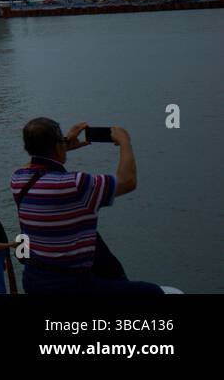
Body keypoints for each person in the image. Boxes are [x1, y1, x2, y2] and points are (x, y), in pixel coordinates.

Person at [11, 117, 161, 295]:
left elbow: (38, 162)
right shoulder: (76, 184)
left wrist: (62, 145)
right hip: (72, 286)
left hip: (34, 281)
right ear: (57, 146)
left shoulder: (18, 179)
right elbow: (128, 181)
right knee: (153, 292)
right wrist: (124, 142)